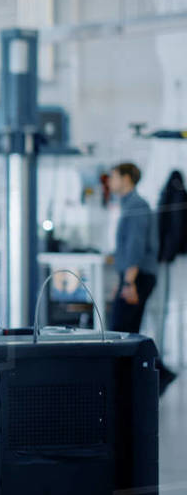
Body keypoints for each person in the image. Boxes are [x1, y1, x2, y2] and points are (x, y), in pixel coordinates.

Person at [109, 162, 176, 394]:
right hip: (134, 276)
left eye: (114, 176)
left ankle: (157, 374)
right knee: (129, 331)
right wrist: (122, 281)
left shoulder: (137, 205)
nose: (110, 181)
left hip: (137, 277)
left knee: (120, 332)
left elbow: (135, 246)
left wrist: (128, 282)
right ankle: (146, 377)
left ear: (126, 178)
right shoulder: (130, 204)